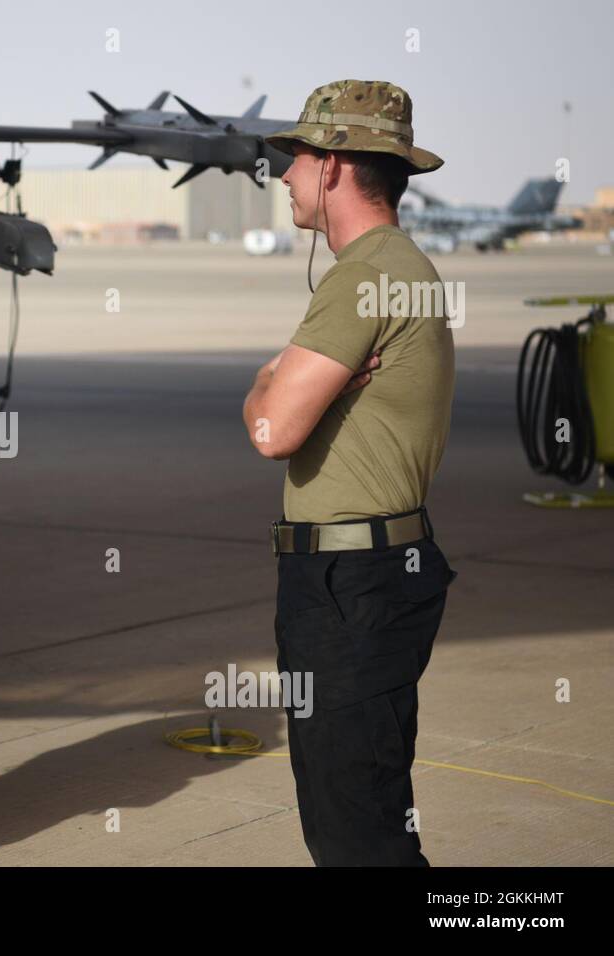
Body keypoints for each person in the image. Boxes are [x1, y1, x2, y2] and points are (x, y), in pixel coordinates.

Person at [242, 80, 457, 865]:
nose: (285, 176)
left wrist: (269, 375)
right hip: (370, 576)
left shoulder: (364, 276)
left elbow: (271, 430)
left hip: (348, 585)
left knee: (354, 826)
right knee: (362, 806)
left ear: (333, 167)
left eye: (296, 158)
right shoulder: (397, 267)